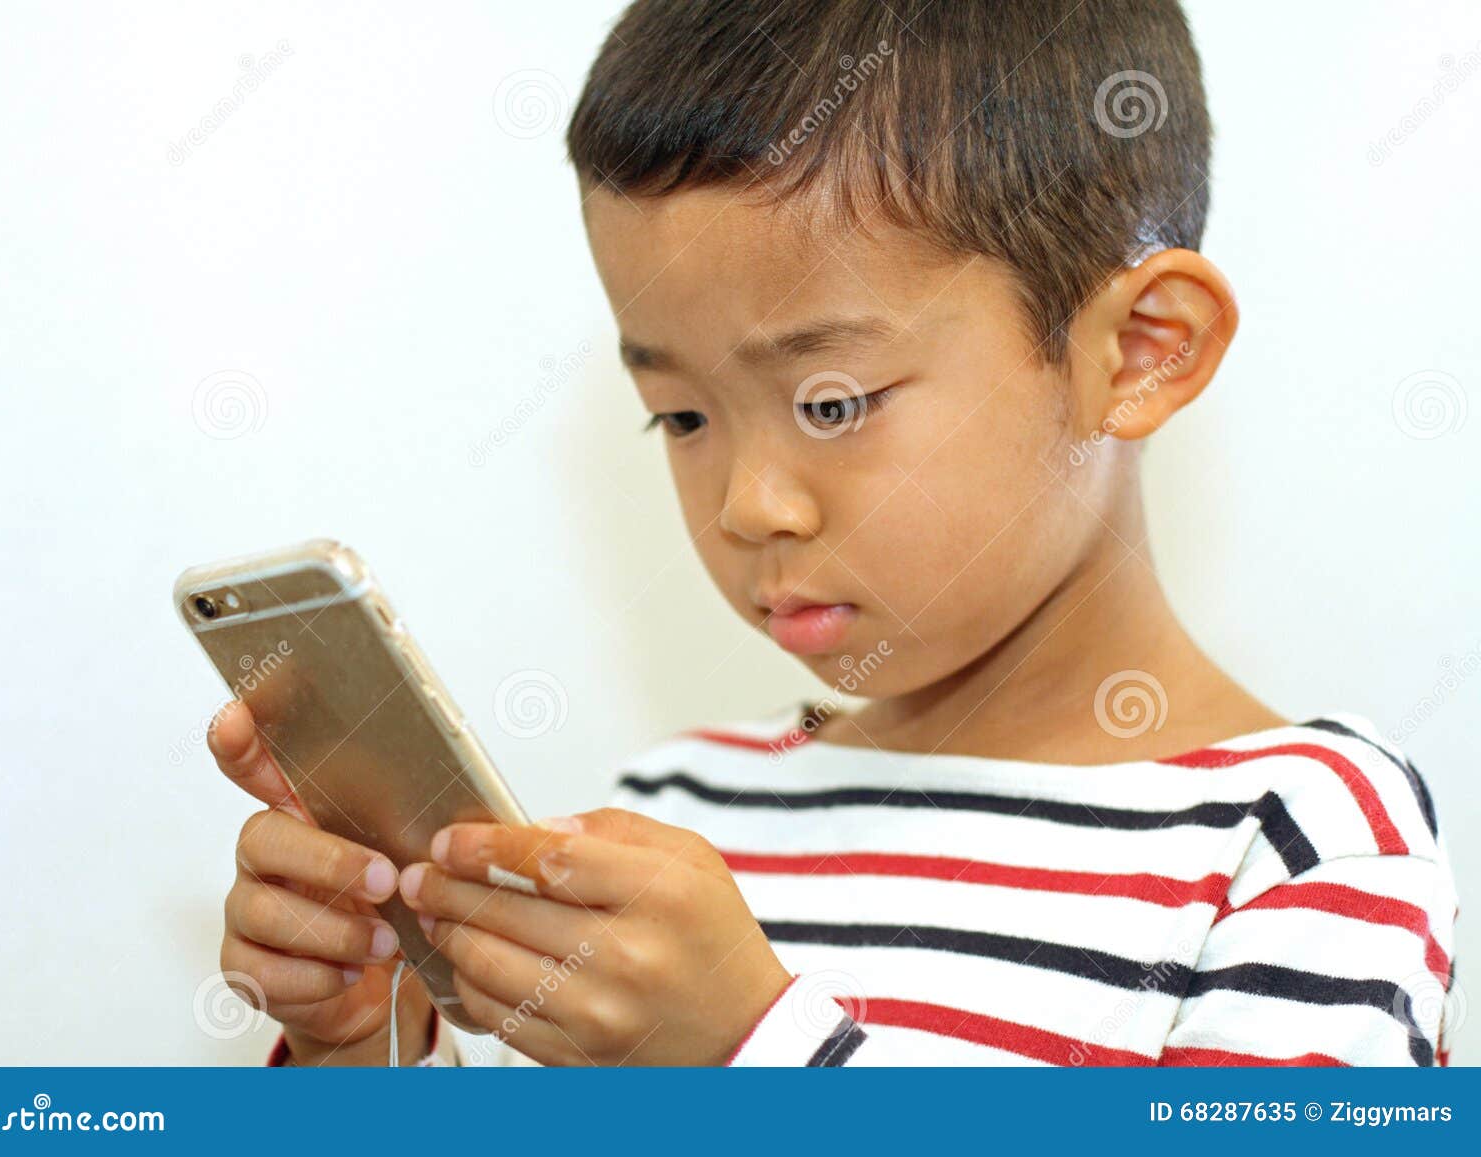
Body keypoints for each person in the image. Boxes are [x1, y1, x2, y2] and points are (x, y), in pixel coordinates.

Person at [209, 0, 1459, 1067]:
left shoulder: (1294, 835)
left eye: (832, 402)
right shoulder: (676, 812)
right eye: (681, 415)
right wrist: (359, 1045)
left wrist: (753, 1051)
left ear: (1139, 350)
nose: (749, 503)